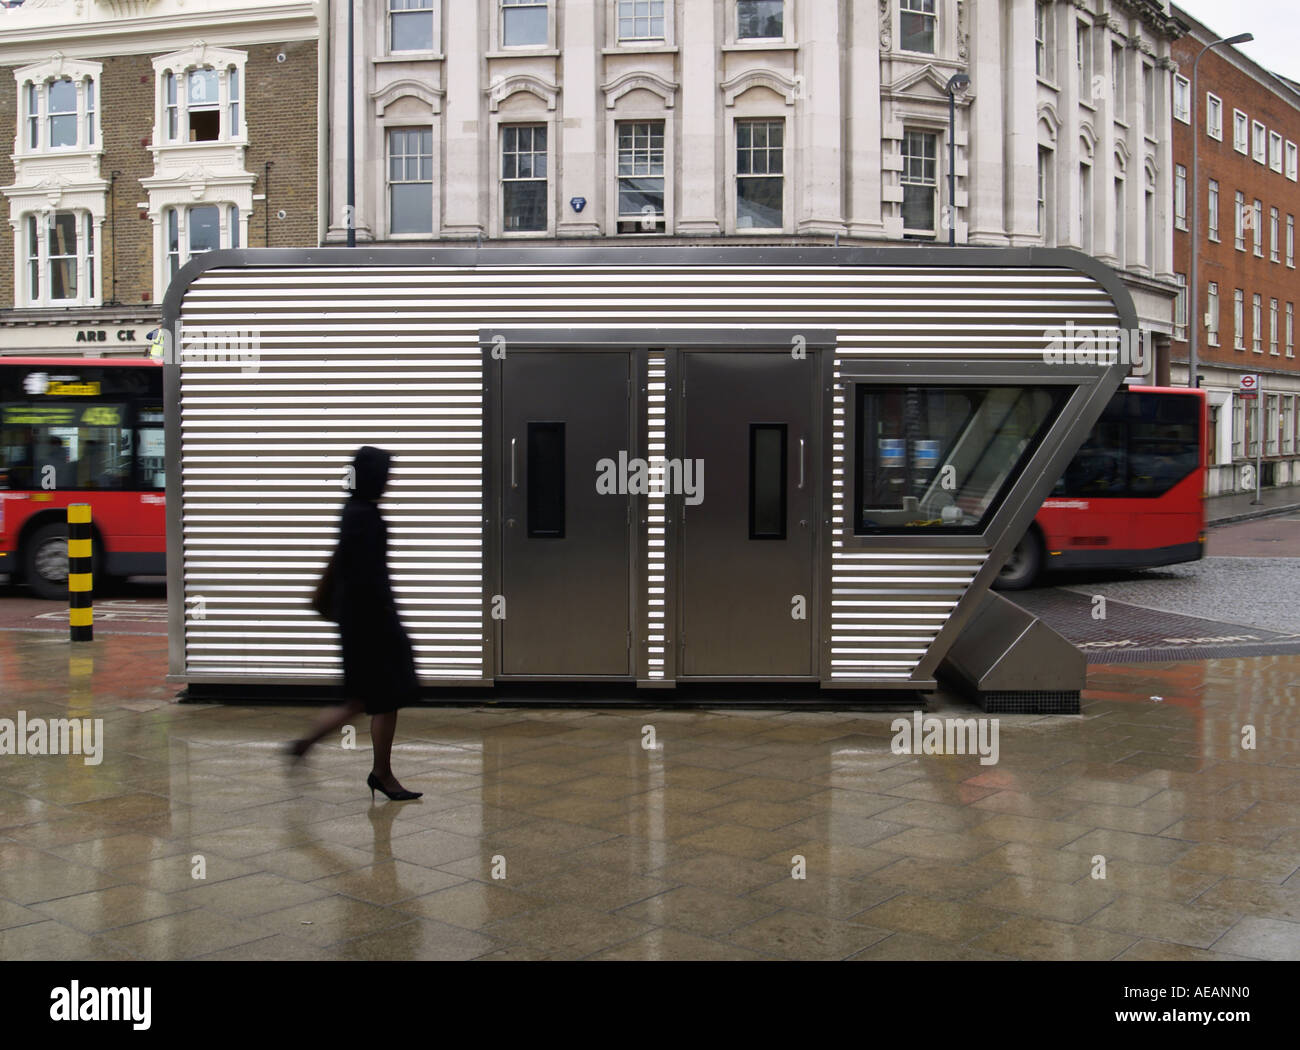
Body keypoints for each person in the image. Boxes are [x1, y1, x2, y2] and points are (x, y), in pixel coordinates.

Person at [286, 446, 422, 801]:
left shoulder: (354, 510)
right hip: (370, 625)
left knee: (364, 699)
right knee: (378, 697)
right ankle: (378, 772)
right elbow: (369, 579)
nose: (389, 480)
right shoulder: (365, 516)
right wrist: (390, 624)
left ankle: (312, 747)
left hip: (358, 623)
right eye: (385, 474)